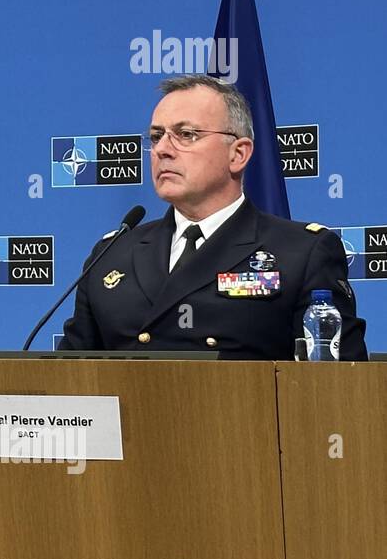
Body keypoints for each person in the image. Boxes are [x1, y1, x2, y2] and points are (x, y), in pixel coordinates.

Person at [60, 75, 366, 360]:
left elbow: (339, 388)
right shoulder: (113, 254)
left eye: (186, 134)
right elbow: (68, 379)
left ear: (238, 154)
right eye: (156, 137)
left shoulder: (302, 253)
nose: (163, 149)